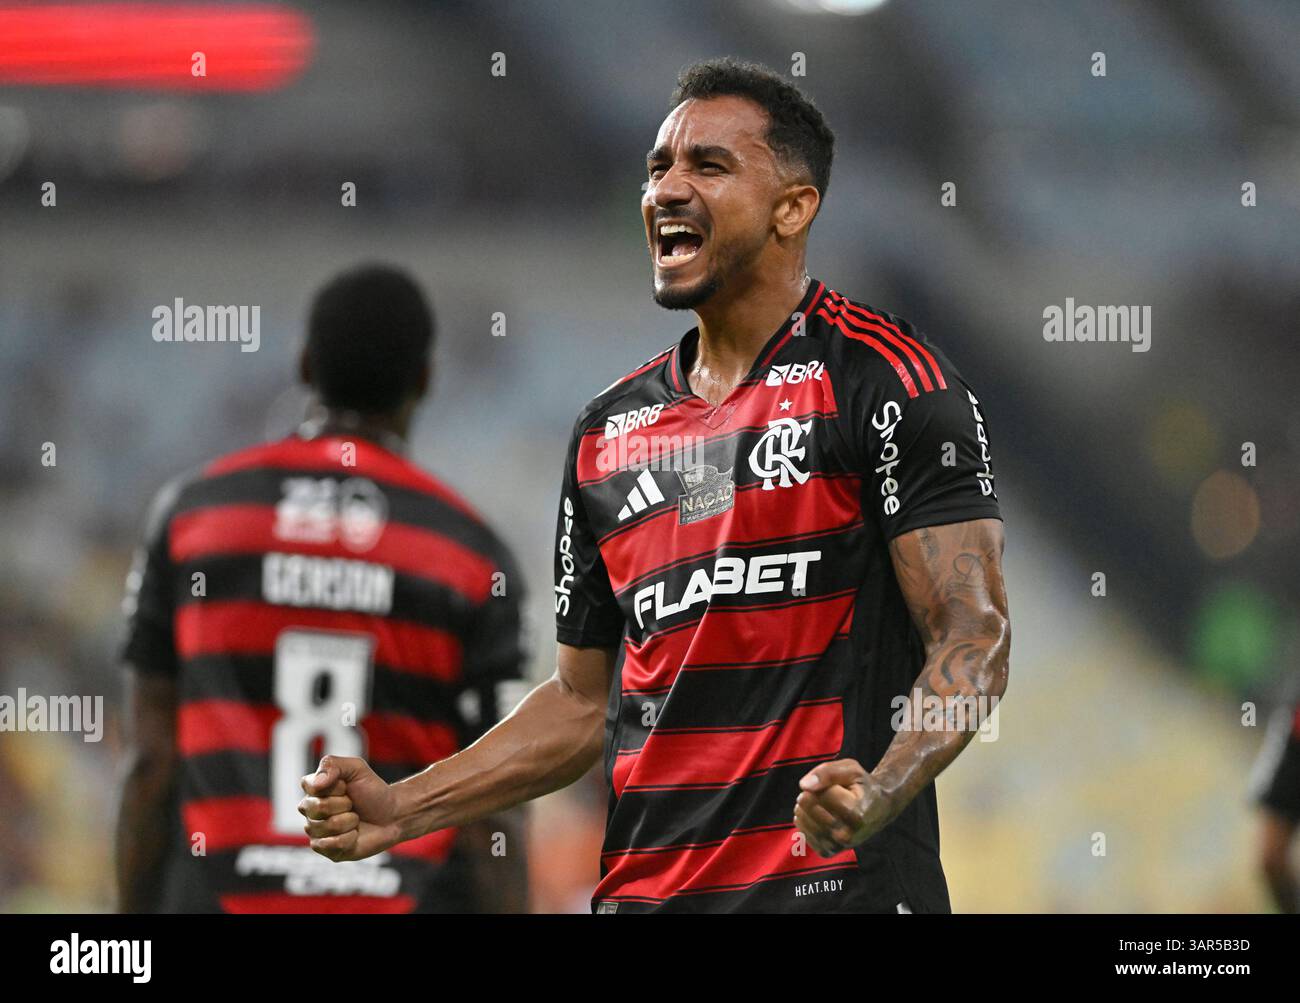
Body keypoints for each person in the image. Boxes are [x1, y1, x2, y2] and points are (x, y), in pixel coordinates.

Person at [300, 58, 1010, 914]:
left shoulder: (886, 380)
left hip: (830, 893)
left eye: (708, 166)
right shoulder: (607, 433)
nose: (667, 189)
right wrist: (404, 803)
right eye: (657, 168)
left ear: (794, 206)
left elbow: (973, 635)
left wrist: (883, 788)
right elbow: (579, 701)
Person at [116, 263, 528, 913]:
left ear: (305, 366)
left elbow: (151, 762)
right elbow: (491, 805)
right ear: (424, 381)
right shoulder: (468, 555)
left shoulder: (196, 520)